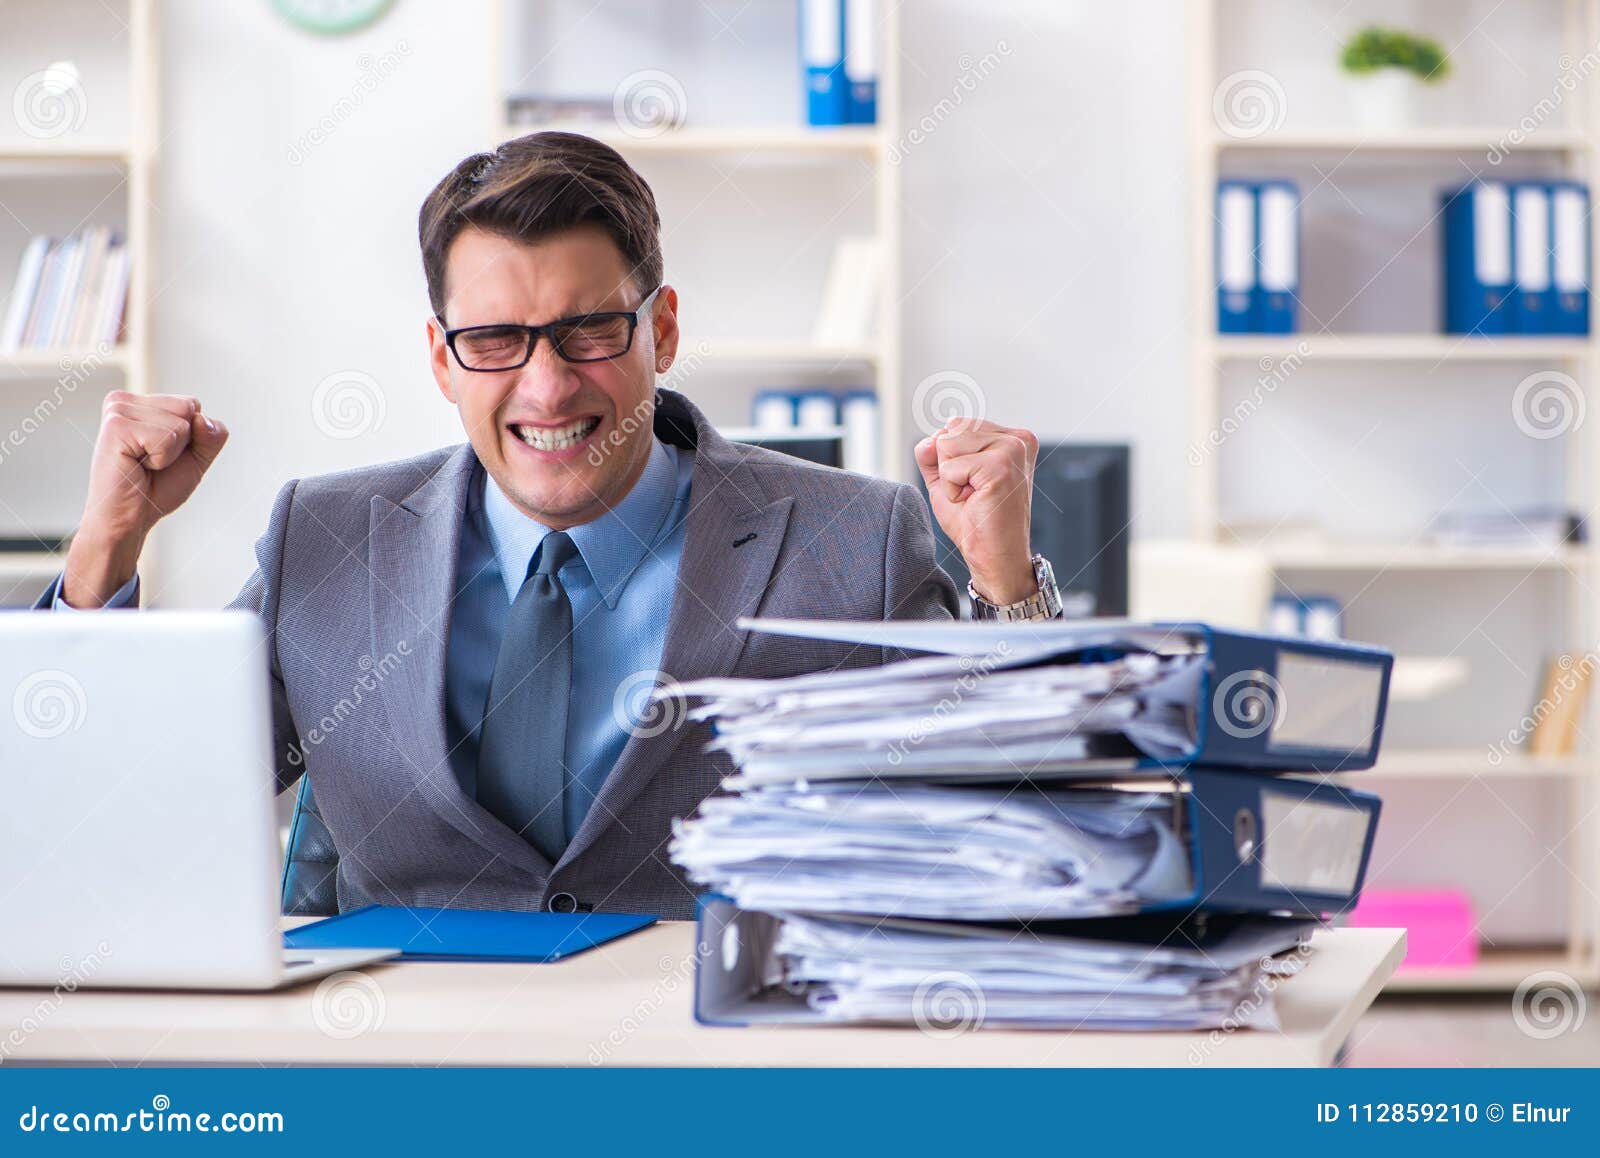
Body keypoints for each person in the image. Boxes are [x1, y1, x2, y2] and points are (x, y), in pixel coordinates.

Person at [44, 132, 1061, 920]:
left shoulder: (853, 536)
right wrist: (102, 554)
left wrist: (1004, 590)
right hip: (400, 1073)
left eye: (588, 329)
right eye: (494, 338)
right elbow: (138, 802)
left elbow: (1012, 833)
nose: (546, 384)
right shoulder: (329, 535)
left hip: (720, 1071)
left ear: (660, 329)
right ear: (441, 359)